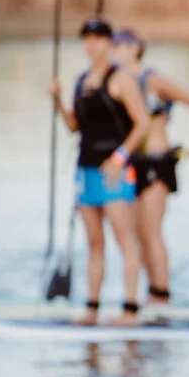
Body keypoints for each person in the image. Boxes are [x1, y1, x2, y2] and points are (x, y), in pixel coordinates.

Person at [47, 17, 152, 323]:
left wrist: (120, 157)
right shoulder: (82, 82)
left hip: (114, 173)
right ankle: (91, 308)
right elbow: (73, 126)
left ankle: (129, 309)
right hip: (86, 168)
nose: (92, 45)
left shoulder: (121, 80)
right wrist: (57, 101)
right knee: (94, 242)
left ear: (108, 43)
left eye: (98, 39)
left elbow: (142, 123)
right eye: (87, 40)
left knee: (124, 240)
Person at [115, 30, 189, 311]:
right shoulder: (117, 81)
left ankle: (161, 291)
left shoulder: (152, 80)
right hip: (132, 163)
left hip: (157, 160)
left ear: (136, 48)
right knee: (136, 231)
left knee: (152, 229)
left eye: (122, 45)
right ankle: (149, 289)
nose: (116, 50)